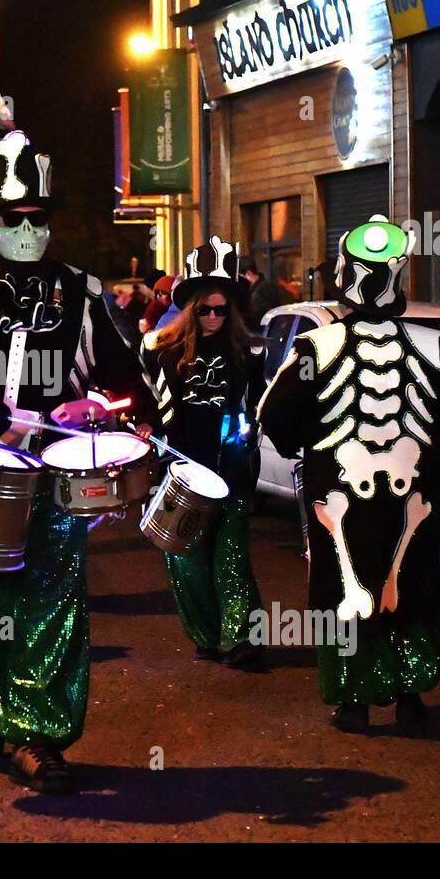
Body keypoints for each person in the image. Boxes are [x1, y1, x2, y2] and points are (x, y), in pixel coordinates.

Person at [0, 117, 157, 793]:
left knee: (49, 602)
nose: (28, 229)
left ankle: (34, 734)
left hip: (50, 477)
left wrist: (99, 409)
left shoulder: (84, 292)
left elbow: (133, 378)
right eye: (14, 217)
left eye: (39, 217)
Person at [258, 218, 440, 732]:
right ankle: (408, 696)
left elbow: (277, 413)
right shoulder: (431, 345)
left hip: (340, 490)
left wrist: (307, 446)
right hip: (410, 486)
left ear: (344, 274)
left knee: (345, 586)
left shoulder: (318, 347)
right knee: (411, 582)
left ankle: (354, 700)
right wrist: (422, 430)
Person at [142, 238, 266, 668]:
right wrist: (144, 426)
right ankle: (206, 635)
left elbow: (261, 401)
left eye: (221, 308)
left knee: (231, 553)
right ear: (191, 308)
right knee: (186, 557)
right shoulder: (159, 349)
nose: (214, 316)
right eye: (205, 309)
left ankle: (243, 639)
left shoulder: (251, 351)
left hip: (231, 464)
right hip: (179, 464)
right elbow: (143, 401)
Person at [240, 257, 283, 331]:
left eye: (241, 277)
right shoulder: (254, 288)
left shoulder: (265, 289)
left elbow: (256, 316)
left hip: (264, 332)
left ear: (248, 274)